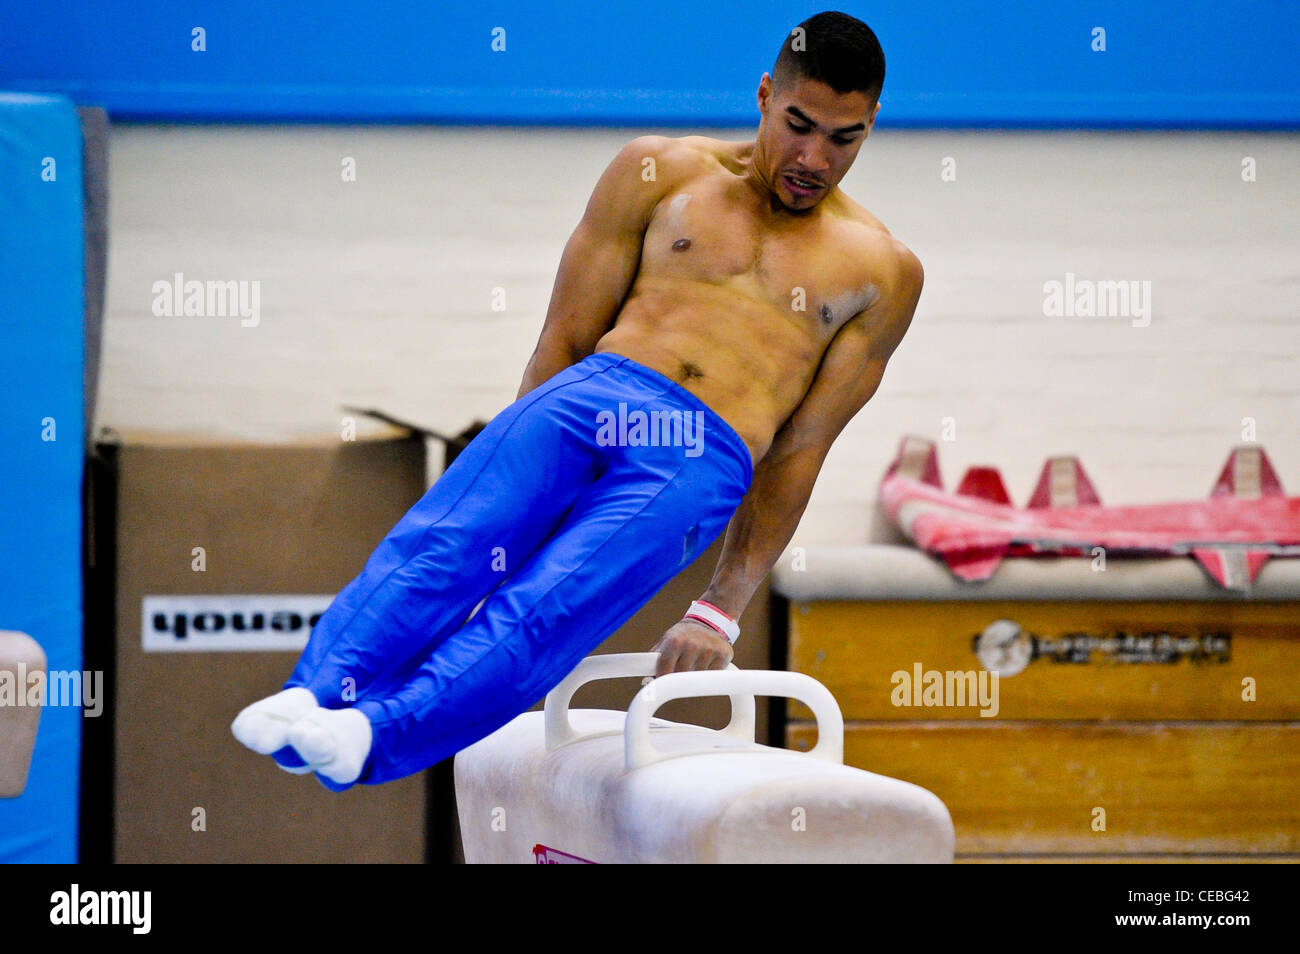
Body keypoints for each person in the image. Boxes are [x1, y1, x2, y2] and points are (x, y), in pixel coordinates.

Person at [231, 10, 922, 790]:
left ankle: (372, 734)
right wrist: (516, 473)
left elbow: (802, 448)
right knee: (444, 544)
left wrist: (720, 609)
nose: (813, 157)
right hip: (591, 392)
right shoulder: (659, 170)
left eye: (844, 137)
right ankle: (312, 696)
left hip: (703, 454)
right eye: (799, 124)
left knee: (546, 609)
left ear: (871, 127)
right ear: (765, 94)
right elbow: (564, 334)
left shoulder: (884, 270)